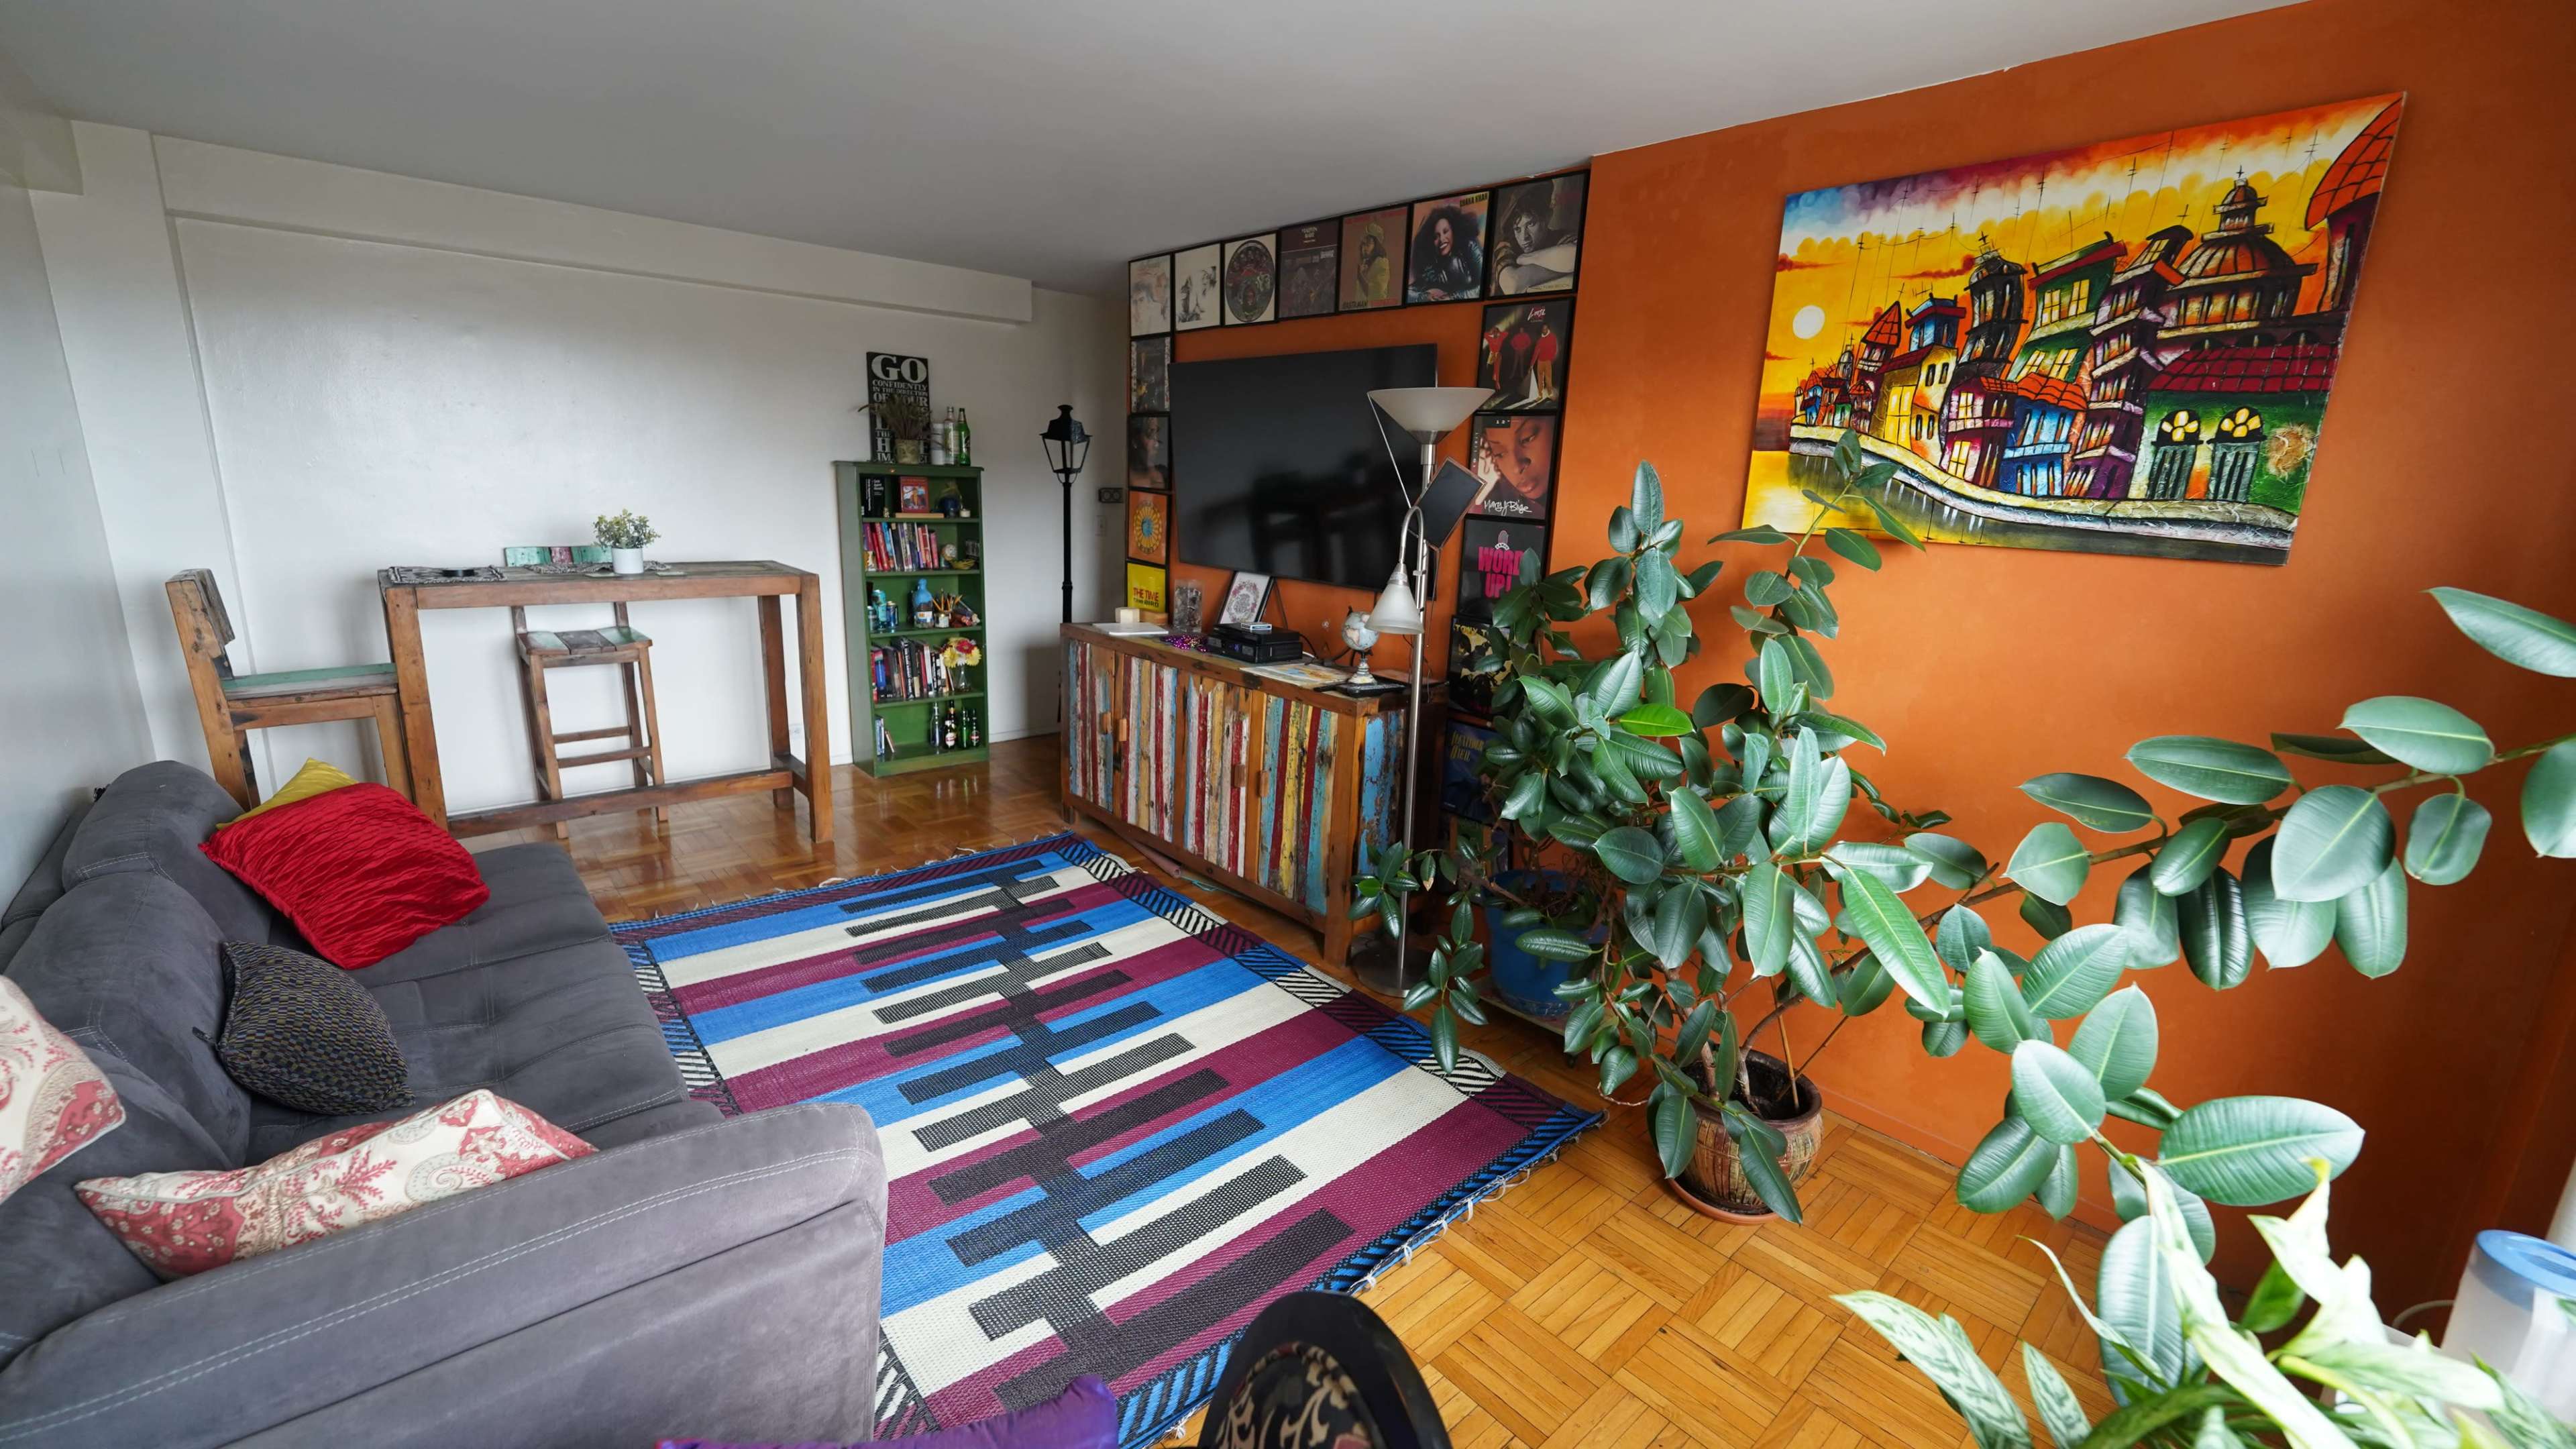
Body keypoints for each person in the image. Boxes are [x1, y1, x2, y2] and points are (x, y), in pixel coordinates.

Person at [1491, 199, 1579, 294]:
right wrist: (1564, 266)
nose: (1524, 237)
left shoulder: (1562, 236)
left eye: (1530, 224)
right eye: (1517, 229)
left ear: (1547, 217)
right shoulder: (1507, 247)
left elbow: (1578, 256)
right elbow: (1512, 286)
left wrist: (1526, 258)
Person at [1407, 205, 1483, 303]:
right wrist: (1426, 297)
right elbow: (1409, 293)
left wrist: (1453, 298)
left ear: (1454, 231)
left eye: (1446, 232)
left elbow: (1484, 286)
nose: (1442, 239)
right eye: (1436, 237)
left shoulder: (1469, 247)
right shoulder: (1430, 266)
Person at [1352, 222, 1393, 305]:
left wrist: (1359, 275)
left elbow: (1375, 294)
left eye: (1368, 244)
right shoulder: (1365, 264)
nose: (1364, 248)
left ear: (1377, 245)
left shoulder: (1382, 263)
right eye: (1363, 244)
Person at [1532, 320, 1561, 405]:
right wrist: (1532, 364)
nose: (1544, 331)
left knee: (1548, 379)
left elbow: (1555, 349)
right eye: (1543, 329)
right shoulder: (1540, 340)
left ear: (1548, 329)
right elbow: (1536, 352)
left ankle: (1550, 394)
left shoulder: (1552, 337)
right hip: (1540, 362)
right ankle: (1540, 396)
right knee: (1540, 380)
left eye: (1545, 329)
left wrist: (1550, 360)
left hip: (1547, 362)